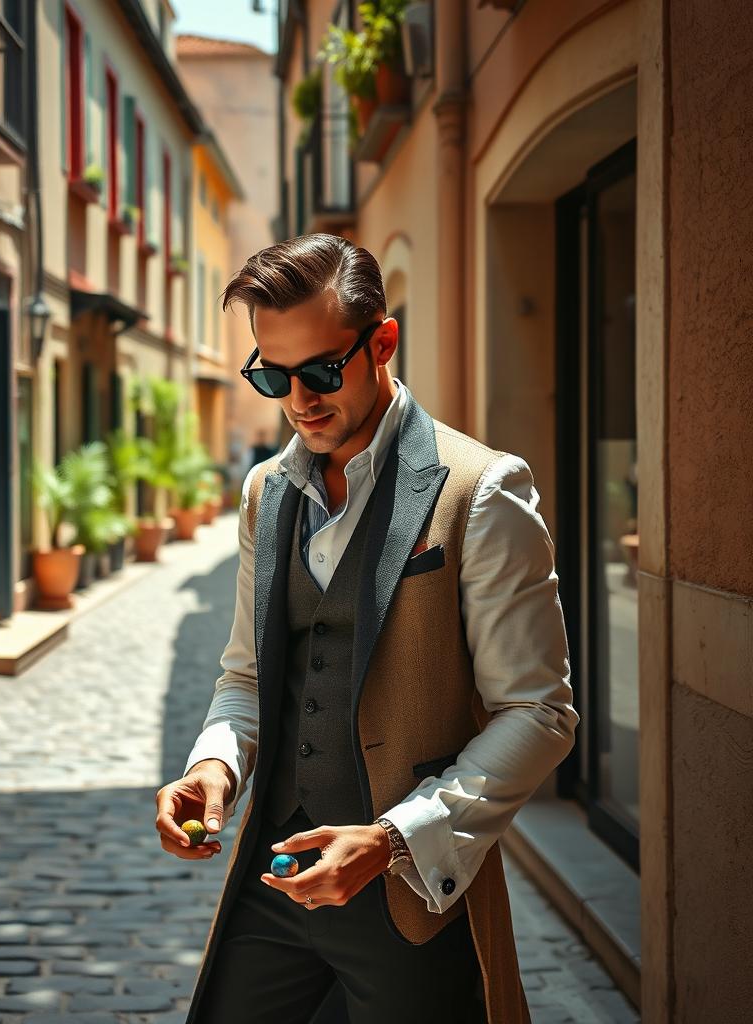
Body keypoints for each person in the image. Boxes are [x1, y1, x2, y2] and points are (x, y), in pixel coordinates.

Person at [154, 234, 578, 1024]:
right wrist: (214, 766)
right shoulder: (265, 492)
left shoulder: (482, 490)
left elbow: (539, 712)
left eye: (321, 371)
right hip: (273, 881)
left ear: (382, 343)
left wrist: (393, 840)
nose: (299, 401)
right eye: (273, 375)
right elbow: (247, 677)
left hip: (409, 899)